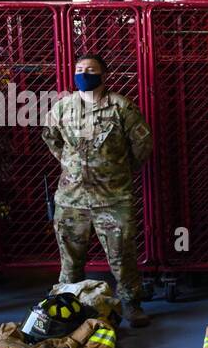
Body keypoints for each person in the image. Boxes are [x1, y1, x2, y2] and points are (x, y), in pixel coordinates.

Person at [42, 54, 153, 327]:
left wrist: (117, 169)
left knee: (122, 255)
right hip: (72, 198)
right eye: (79, 69)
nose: (84, 74)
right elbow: (51, 138)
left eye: (90, 70)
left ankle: (130, 303)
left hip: (113, 197)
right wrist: (72, 165)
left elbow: (142, 143)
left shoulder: (120, 107)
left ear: (104, 74)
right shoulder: (62, 107)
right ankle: (69, 306)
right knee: (70, 259)